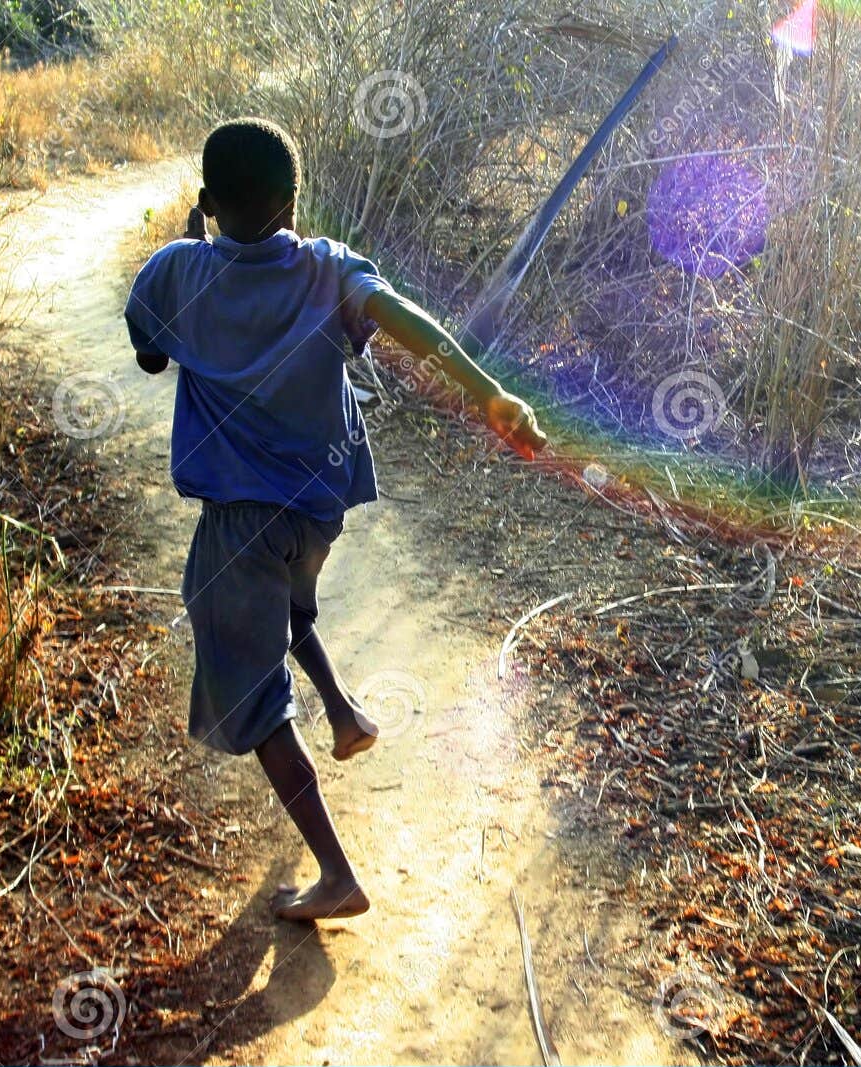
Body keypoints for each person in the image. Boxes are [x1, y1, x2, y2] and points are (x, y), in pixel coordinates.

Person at [125, 118, 547, 920]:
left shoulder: (176, 272)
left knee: (252, 693)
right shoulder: (325, 267)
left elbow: (151, 354)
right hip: (318, 510)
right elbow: (402, 317)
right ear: (295, 201)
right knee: (284, 604)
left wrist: (188, 247)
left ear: (209, 201)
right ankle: (346, 712)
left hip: (239, 522)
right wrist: (490, 393)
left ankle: (335, 874)